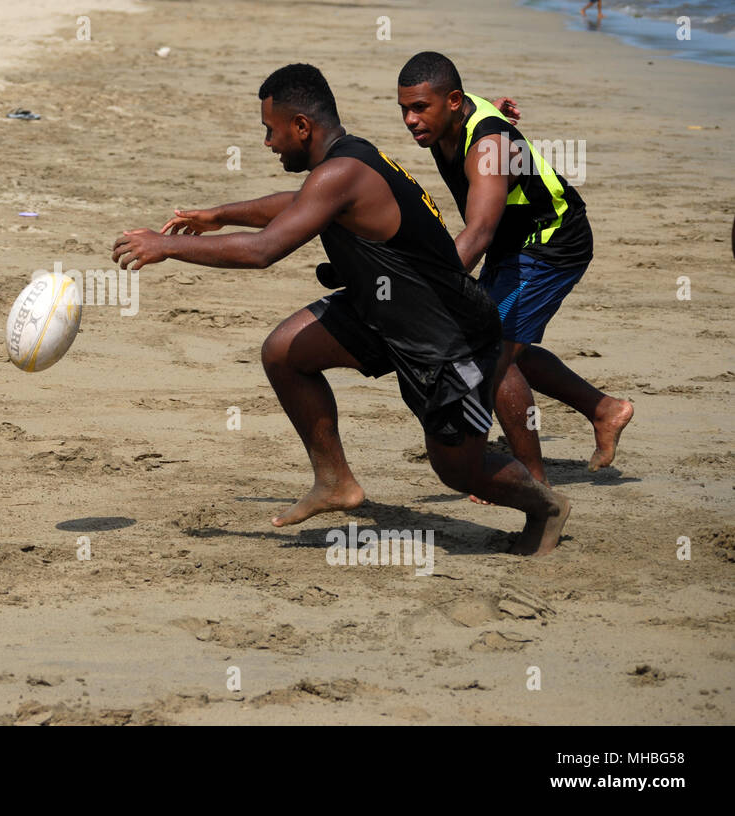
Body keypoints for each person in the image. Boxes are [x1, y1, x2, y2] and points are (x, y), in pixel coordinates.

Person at [112, 63, 571, 556]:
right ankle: (335, 482)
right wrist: (219, 215)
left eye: (271, 131)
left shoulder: (343, 172)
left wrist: (165, 246)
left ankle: (543, 504)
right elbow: (296, 202)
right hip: (384, 311)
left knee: (457, 469)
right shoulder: (344, 164)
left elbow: (264, 250)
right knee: (285, 351)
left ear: (302, 127)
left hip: (445, 334)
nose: (268, 143)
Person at [395, 52, 633, 496]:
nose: (410, 120)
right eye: (404, 109)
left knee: (492, 351)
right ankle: (604, 410)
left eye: (419, 108)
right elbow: (483, 110)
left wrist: (423, 291)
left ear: (451, 101)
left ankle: (532, 479)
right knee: (507, 348)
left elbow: (479, 231)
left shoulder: (487, 146)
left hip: (551, 242)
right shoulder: (454, 116)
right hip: (514, 242)